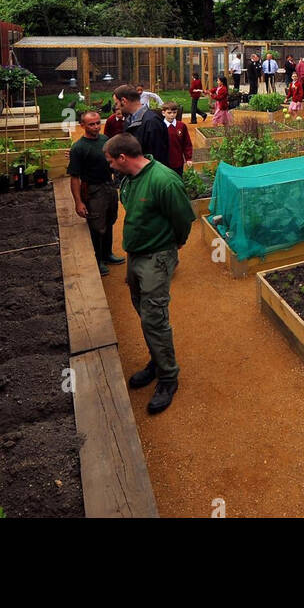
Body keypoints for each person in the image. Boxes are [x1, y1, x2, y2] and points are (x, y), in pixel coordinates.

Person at [104, 132, 195, 415]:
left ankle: (168, 378)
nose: (109, 166)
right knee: (143, 312)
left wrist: (174, 246)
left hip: (156, 257)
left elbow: (183, 220)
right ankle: (157, 360)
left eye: (110, 161)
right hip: (136, 255)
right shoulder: (129, 179)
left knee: (154, 317)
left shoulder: (164, 181)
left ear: (123, 158)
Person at [67, 110, 125, 276]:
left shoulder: (105, 140)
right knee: (96, 226)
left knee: (109, 221)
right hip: (93, 190)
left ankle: (108, 254)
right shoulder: (78, 148)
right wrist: (78, 202)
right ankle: (97, 259)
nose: (96, 126)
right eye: (91, 124)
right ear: (82, 125)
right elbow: (74, 177)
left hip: (109, 187)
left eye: (98, 123)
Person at [115, 84, 169, 169]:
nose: (116, 107)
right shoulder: (128, 120)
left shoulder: (152, 122)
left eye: (117, 103)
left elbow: (157, 159)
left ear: (123, 101)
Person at [162, 102, 193, 176]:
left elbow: (187, 143)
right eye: (169, 113)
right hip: (164, 162)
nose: (172, 115)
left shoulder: (181, 126)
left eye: (174, 112)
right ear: (163, 113)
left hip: (178, 161)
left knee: (178, 179)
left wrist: (188, 158)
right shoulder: (160, 126)